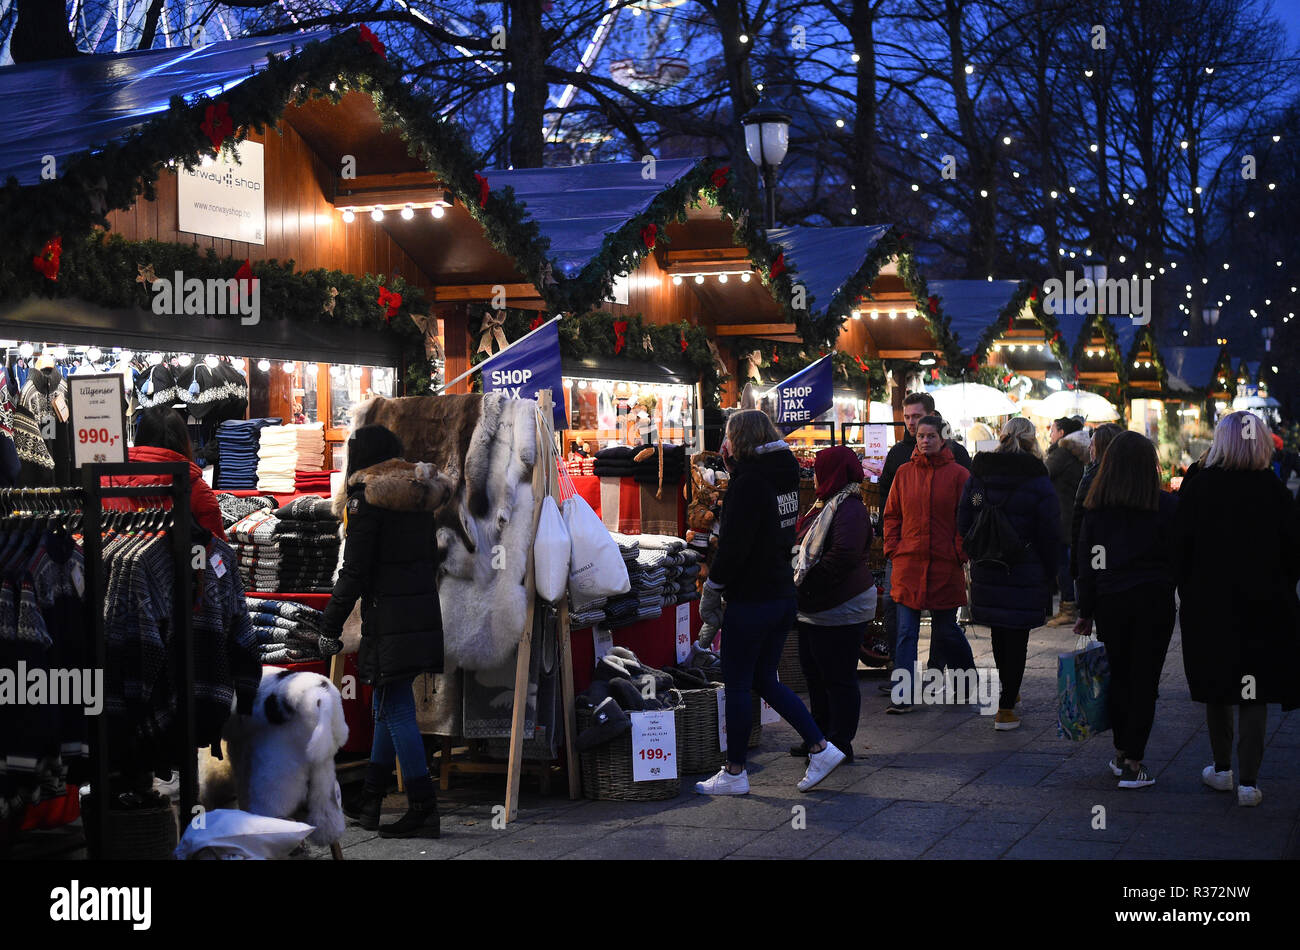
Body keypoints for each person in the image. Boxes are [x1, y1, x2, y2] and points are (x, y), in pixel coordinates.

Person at [697, 410, 846, 795]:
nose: (724, 445)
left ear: (740, 440)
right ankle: (819, 746)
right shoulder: (783, 474)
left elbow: (733, 547)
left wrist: (713, 587)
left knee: (737, 684)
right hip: (780, 592)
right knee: (764, 679)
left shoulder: (749, 482)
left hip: (752, 598)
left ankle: (734, 772)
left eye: (728, 437)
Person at [323, 424, 452, 837]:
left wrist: (331, 620)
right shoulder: (416, 500)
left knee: (395, 709)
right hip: (418, 615)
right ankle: (371, 799)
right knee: (385, 703)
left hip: (391, 620)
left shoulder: (366, 502)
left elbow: (355, 570)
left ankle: (423, 807)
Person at [1174, 411, 1300, 807]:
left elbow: (1180, 548)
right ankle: (1249, 781)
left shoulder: (1200, 487)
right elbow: (1293, 554)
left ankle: (1221, 768)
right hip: (1265, 606)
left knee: (1218, 682)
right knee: (1253, 687)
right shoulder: (1275, 491)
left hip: (1211, 606)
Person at [1074, 431, 1178, 789]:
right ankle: (1134, 761)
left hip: (1111, 601)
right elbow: (1179, 556)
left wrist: (1085, 610)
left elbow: (1086, 564)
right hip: (1153, 601)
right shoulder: (1165, 507)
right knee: (1145, 680)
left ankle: (1121, 753)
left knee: (1119, 675)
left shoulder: (1097, 508)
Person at [956, 417, 1058, 730]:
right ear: (1031, 439)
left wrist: (980, 542)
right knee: (1017, 637)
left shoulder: (980, 474)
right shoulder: (1038, 478)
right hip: (1024, 566)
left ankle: (1008, 697)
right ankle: (1006, 706)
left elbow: (967, 513)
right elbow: (1049, 530)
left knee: (1000, 633)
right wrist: (1050, 572)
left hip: (988, 565)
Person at [877, 392, 971, 688]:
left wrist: (959, 550)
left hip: (944, 565)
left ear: (942, 438)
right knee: (906, 632)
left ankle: (965, 679)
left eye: (930, 435)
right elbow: (891, 514)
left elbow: (969, 515)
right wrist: (893, 547)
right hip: (909, 564)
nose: (924, 440)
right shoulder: (903, 472)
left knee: (947, 631)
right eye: (920, 436)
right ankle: (902, 693)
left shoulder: (958, 474)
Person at [792, 446, 875, 762]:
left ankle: (840, 743)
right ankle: (819, 737)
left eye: (819, 469)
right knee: (814, 672)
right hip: (816, 605)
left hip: (841, 605)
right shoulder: (825, 503)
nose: (813, 475)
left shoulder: (849, 507)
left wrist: (806, 585)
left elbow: (842, 557)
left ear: (833, 473)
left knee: (838, 677)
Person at [103, 407, 227, 539]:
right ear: (183, 441)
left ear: (139, 437)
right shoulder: (198, 491)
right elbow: (217, 551)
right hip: (182, 559)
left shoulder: (106, 482)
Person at [1044, 416, 1089, 626]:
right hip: (1069, 514)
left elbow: (1043, 473)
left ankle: (1068, 608)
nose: (1050, 435)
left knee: (1063, 564)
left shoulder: (1061, 453)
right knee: (1069, 563)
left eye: (1052, 430)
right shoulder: (1076, 452)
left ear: (1061, 433)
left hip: (1062, 516)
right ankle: (1071, 605)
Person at [1069, 422, 1123, 581]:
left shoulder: (1093, 478)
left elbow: (1079, 525)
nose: (1088, 449)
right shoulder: (1130, 477)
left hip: (1098, 558)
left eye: (1092, 445)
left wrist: (1078, 568)